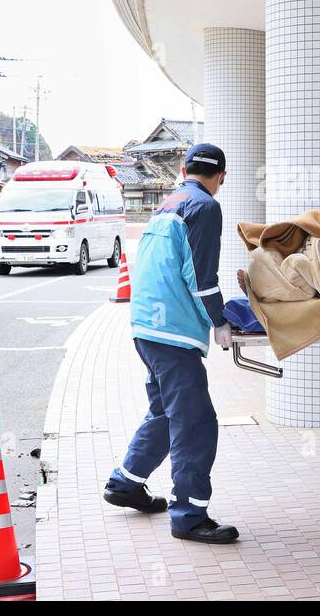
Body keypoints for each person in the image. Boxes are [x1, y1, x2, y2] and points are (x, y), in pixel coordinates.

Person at [102, 142, 239, 543]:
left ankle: (126, 482)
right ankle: (190, 516)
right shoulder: (205, 207)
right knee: (194, 421)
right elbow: (201, 277)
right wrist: (220, 321)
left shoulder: (168, 204)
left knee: (165, 411)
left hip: (146, 327)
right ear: (222, 178)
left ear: (183, 168)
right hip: (174, 333)